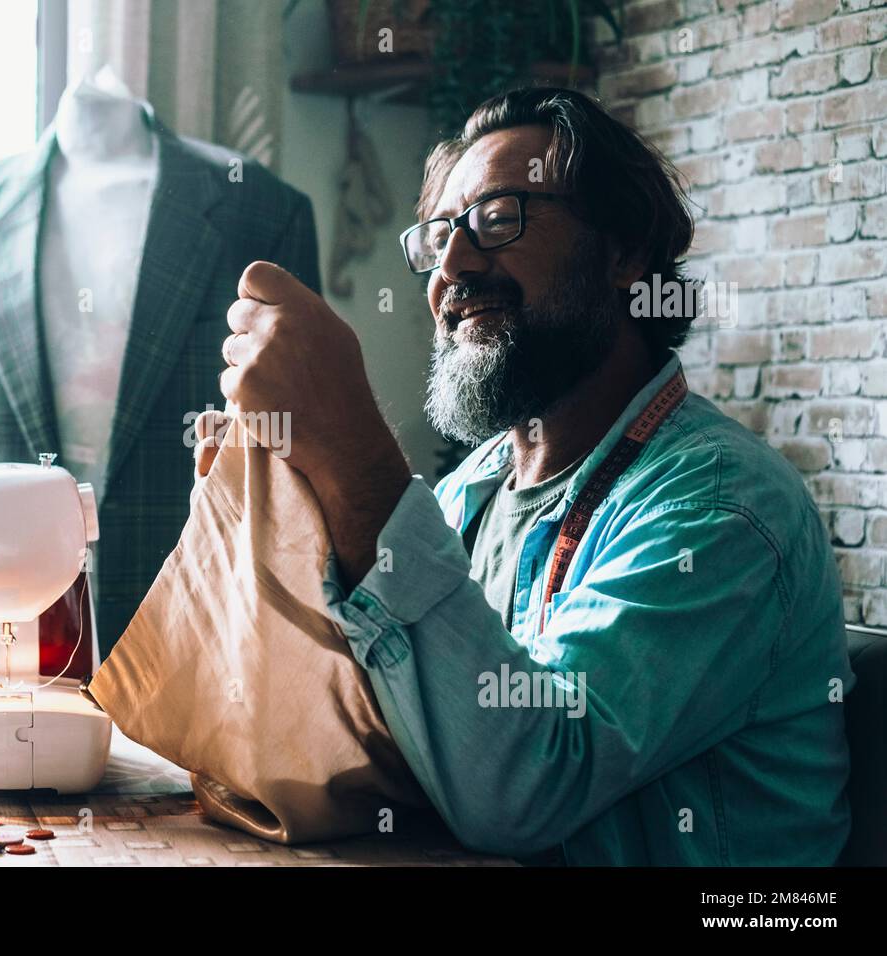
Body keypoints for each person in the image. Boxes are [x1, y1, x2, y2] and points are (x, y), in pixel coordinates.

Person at [194, 87, 853, 866]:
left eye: (500, 218)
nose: (453, 268)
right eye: (439, 236)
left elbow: (523, 785)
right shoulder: (472, 491)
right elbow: (369, 730)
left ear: (626, 250)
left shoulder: (721, 509)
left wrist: (353, 451)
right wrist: (277, 522)